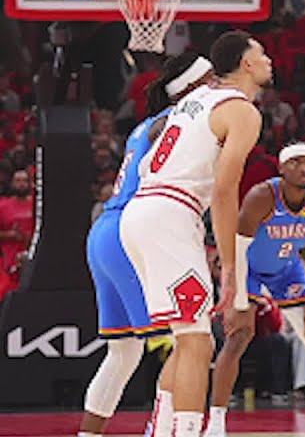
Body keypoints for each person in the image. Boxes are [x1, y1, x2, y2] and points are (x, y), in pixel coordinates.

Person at [120, 31, 272, 437]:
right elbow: (225, 190)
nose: (269, 59)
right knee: (197, 341)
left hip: (142, 213)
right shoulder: (241, 110)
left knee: (186, 336)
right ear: (246, 63)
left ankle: (162, 429)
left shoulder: (192, 100)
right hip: (169, 214)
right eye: (262, 53)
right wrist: (229, 266)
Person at [79, 53, 214, 437]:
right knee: (184, 340)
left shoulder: (146, 125)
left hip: (106, 230)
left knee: (123, 352)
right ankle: (167, 429)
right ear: (190, 88)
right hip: (131, 231)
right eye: (209, 80)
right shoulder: (179, 121)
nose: (216, 86)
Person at [206, 143, 305, 437]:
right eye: (296, 162)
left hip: (287, 269)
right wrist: (238, 304)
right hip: (247, 269)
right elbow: (239, 251)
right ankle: (216, 422)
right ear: (281, 169)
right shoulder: (262, 196)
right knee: (239, 337)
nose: (304, 168)